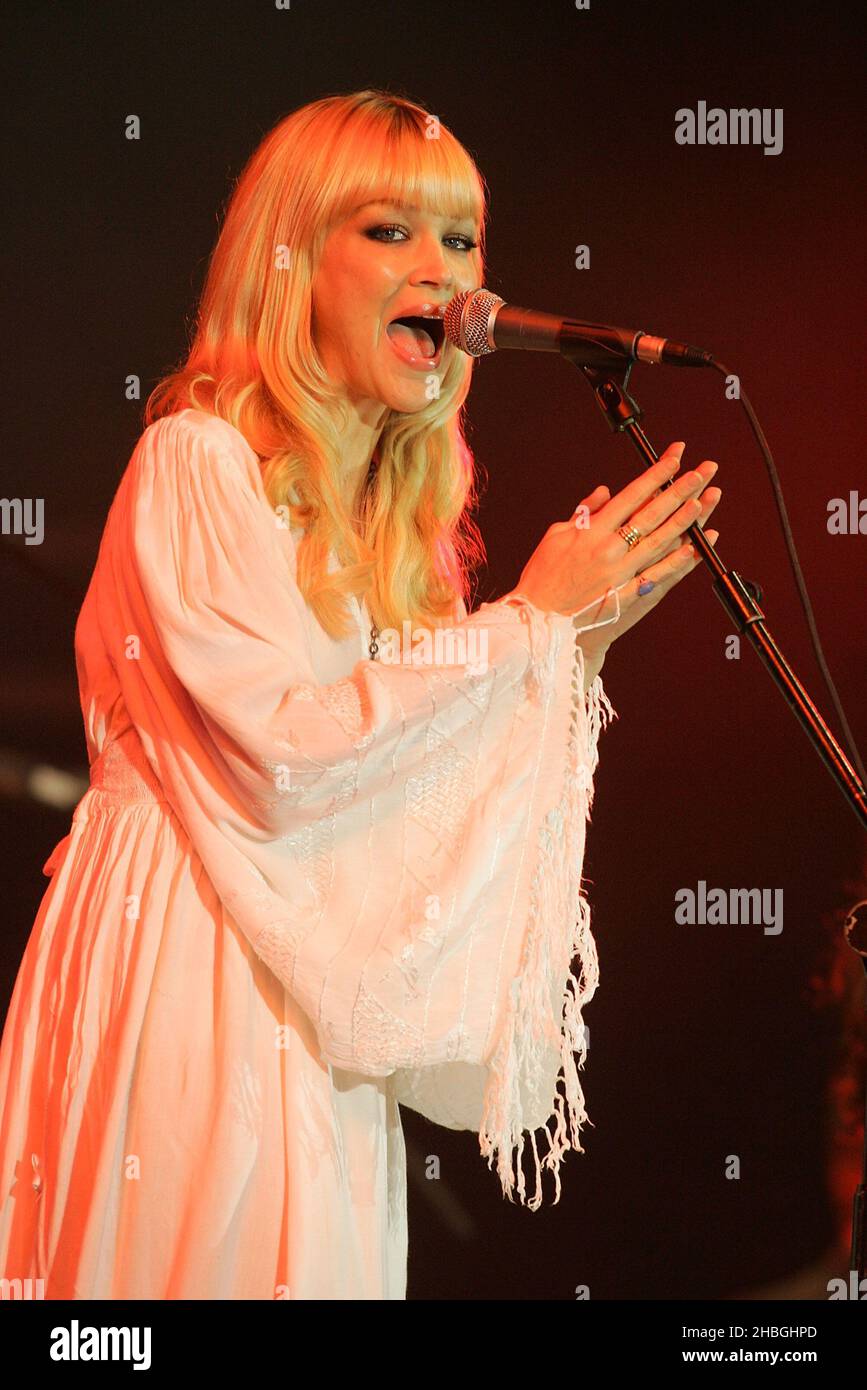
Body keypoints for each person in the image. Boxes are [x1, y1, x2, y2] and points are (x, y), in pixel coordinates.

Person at [0, 89, 721, 1301]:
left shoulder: (403, 533)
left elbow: (411, 815)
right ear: (290, 262)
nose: (442, 273)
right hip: (194, 969)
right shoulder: (198, 460)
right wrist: (528, 632)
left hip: (305, 1017)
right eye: (391, 232)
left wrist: (568, 653)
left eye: (461, 238)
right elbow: (287, 761)